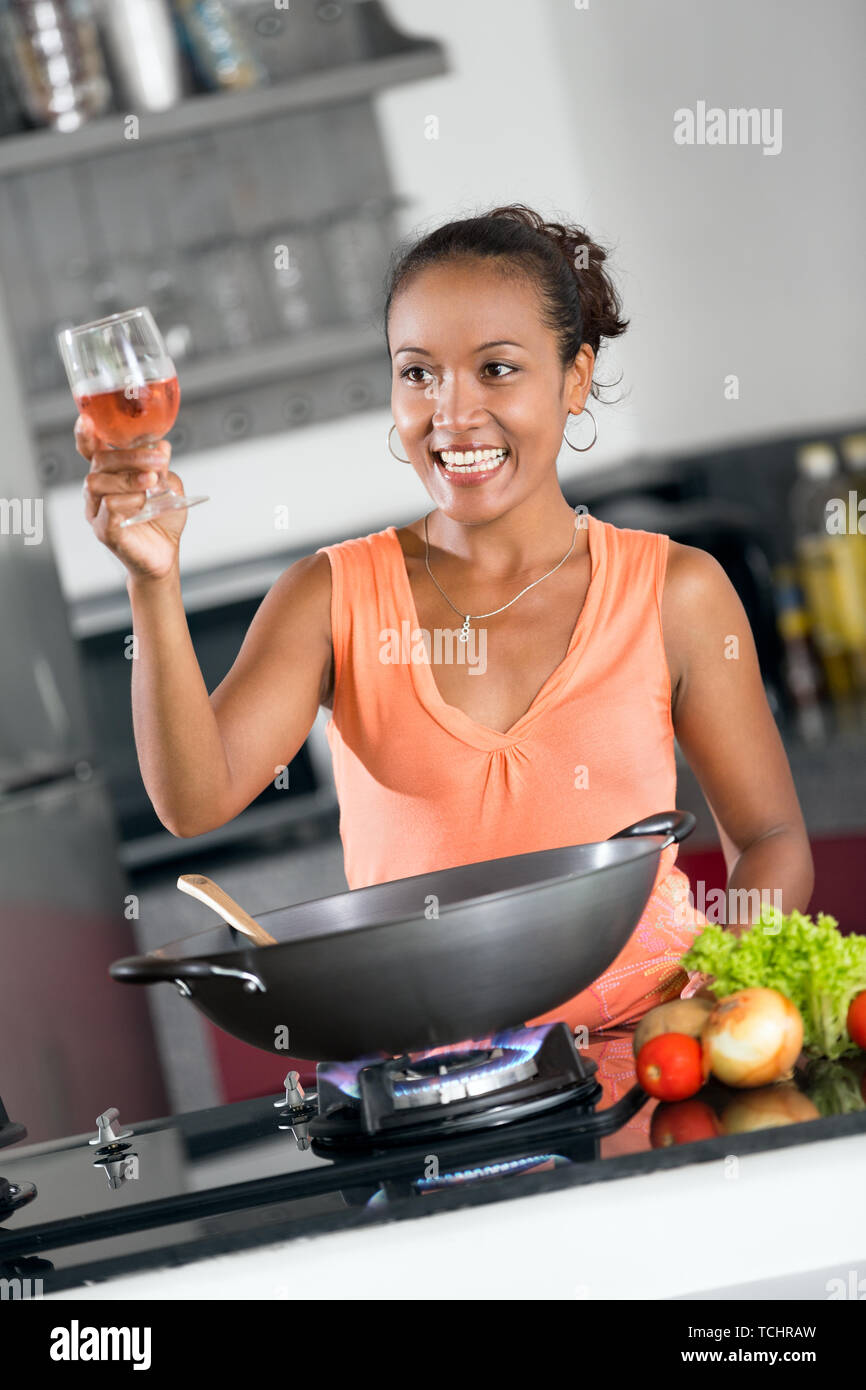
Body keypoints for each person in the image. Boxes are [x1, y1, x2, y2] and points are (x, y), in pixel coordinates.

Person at [78, 203, 814, 1034]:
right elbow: (193, 800)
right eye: (418, 373)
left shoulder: (677, 591)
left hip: (655, 1052)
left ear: (575, 377)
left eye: (496, 369)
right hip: (430, 1075)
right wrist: (153, 579)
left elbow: (772, 835)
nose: (451, 414)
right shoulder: (329, 597)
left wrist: (721, 1002)